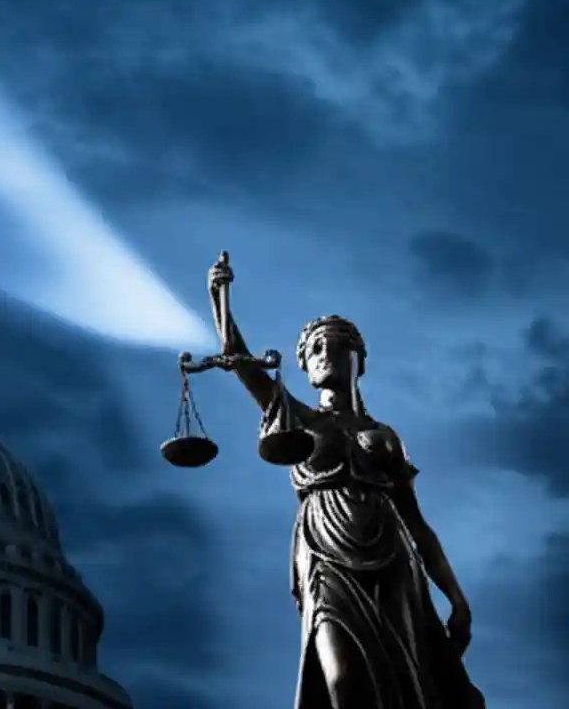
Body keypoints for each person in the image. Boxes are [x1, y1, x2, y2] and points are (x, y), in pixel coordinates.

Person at [208, 255, 485, 709]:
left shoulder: (385, 437)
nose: (323, 355)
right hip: (326, 554)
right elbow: (240, 361)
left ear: (357, 358)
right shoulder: (300, 419)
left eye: (333, 345)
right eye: (313, 349)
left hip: (392, 558)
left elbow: (417, 525)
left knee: (405, 683)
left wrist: (456, 596)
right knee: (342, 681)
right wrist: (220, 296)